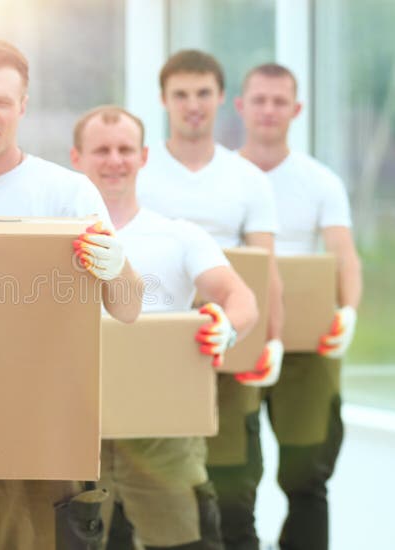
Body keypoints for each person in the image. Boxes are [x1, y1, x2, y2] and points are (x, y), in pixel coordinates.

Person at [0, 40, 143, 550]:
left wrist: (117, 266)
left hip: (45, 447)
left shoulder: (66, 195)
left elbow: (129, 306)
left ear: (22, 106)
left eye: (2, 102)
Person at [71, 104, 260, 550]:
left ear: (143, 157)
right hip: (77, 433)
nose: (114, 160)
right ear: (77, 158)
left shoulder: (179, 235)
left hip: (164, 438)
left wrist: (227, 328)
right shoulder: (55, 236)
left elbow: (242, 299)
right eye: (101, 149)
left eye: (125, 149)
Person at [134, 50, 283, 550]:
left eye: (202, 93)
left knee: (237, 487)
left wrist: (273, 341)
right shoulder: (138, 173)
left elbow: (265, 271)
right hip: (155, 354)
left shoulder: (247, 180)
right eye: (180, 94)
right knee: (159, 488)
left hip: (229, 341)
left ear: (221, 98)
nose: (192, 105)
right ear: (163, 100)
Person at [236, 63, 362, 550]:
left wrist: (347, 311)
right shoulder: (226, 177)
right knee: (227, 478)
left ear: (297, 110)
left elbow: (344, 256)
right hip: (241, 343)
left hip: (306, 349)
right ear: (242, 107)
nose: (269, 110)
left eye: (279, 101)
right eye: (259, 100)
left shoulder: (319, 181)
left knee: (308, 477)